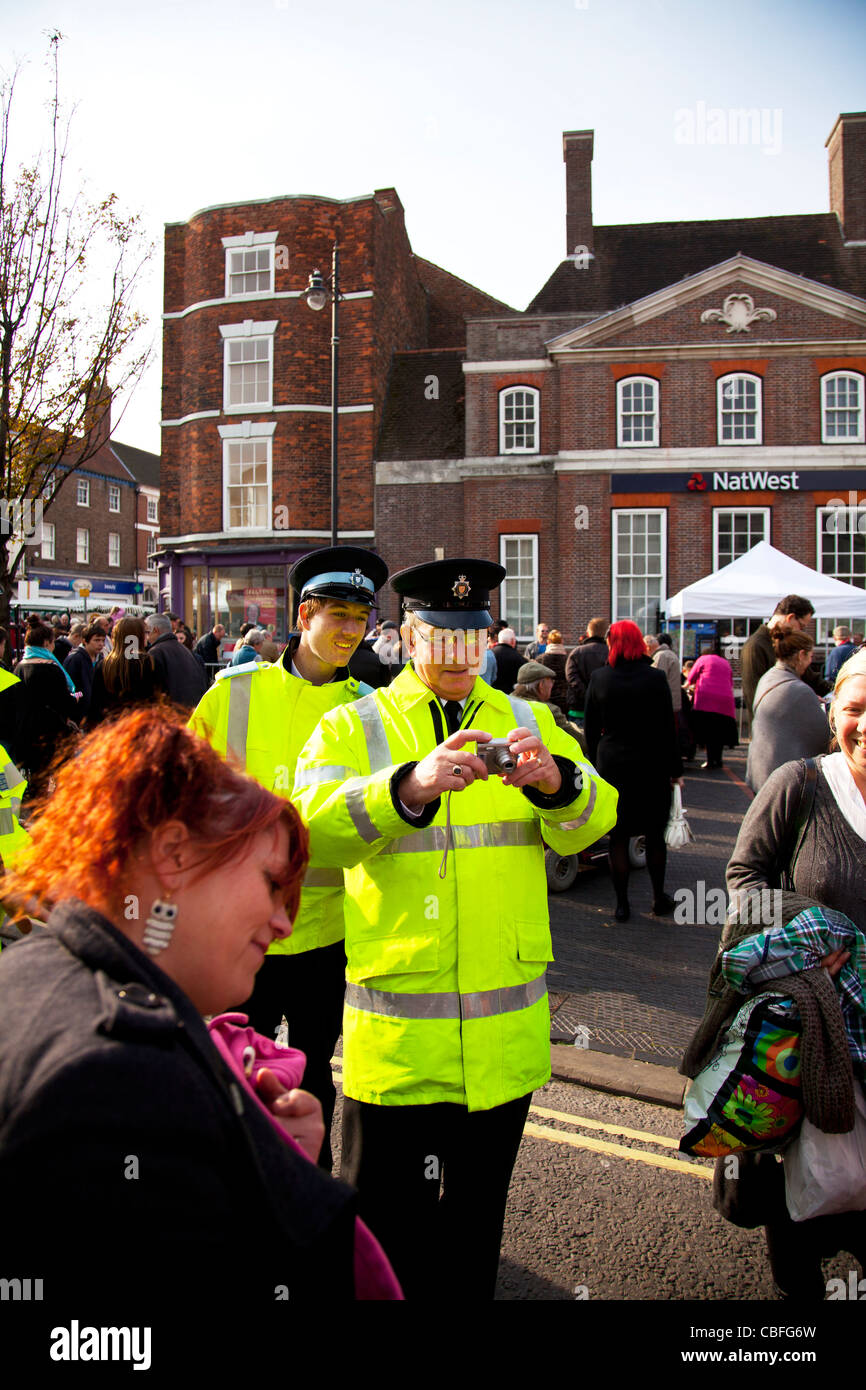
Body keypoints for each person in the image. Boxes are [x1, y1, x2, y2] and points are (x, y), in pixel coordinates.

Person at [293, 557, 618, 1299]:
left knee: (474, 1237)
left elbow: (596, 818)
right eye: (440, 639)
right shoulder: (354, 723)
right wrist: (405, 787)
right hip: (399, 1050)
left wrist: (558, 783)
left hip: (504, 1048)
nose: (458, 658)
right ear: (409, 635)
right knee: (381, 1240)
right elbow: (309, 830)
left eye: (471, 641)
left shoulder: (527, 720)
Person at [0, 708, 400, 1307]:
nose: (283, 923)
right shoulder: (121, 1080)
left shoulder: (34, 972)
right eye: (271, 883)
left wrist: (257, 1158)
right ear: (174, 856)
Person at [189, 546, 388, 1172]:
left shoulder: (373, 710)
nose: (351, 629)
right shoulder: (234, 695)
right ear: (305, 614)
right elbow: (182, 797)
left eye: (361, 617)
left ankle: (308, 1196)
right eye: (339, 614)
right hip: (237, 929)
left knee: (312, 1077)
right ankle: (232, 1191)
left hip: (327, 931)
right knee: (230, 1072)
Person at [684, 648, 866, 1300]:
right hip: (809, 1034)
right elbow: (743, 880)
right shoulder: (801, 785)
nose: (865, 725)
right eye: (855, 709)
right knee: (803, 1215)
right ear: (832, 713)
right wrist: (803, 937)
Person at [584, 620, 683, 922]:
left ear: (612, 643)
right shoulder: (655, 678)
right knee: (654, 835)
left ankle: (622, 904)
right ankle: (657, 898)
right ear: (640, 642)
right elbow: (669, 727)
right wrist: (675, 770)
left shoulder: (600, 678)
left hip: (613, 764)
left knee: (617, 837)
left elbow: (590, 729)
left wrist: (596, 760)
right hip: (651, 764)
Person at [746, 627, 830, 792]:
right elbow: (825, 737)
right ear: (801, 655)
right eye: (810, 656)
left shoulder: (769, 677)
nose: (810, 662)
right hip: (781, 784)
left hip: (759, 773)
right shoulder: (798, 690)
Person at [13, 621, 80, 797]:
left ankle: (35, 809)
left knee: (36, 778)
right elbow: (63, 702)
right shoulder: (51, 669)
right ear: (46, 643)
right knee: (56, 773)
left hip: (25, 730)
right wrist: (75, 699)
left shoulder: (19, 667)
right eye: (52, 643)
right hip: (49, 731)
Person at [741, 595, 826, 709]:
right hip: (770, 722)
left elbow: (812, 679)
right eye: (801, 626)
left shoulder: (788, 643)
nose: (801, 631)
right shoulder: (755, 646)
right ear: (790, 617)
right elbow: (754, 694)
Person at [88, 617, 158, 727]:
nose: (147, 637)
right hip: (140, 726)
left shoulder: (104, 665)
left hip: (111, 728)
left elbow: (95, 705)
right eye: (145, 633)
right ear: (137, 636)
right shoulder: (147, 663)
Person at [513, 660, 584, 748]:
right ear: (541, 685)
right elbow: (579, 741)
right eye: (551, 681)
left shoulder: (508, 701)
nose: (552, 685)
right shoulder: (548, 710)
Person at [685, 650, 737, 770]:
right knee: (719, 732)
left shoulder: (702, 660)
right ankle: (718, 760)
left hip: (706, 699)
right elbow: (730, 681)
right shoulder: (725, 662)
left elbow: (691, 678)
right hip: (725, 701)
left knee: (708, 731)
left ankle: (710, 761)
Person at [145, 613, 208, 710]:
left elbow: (154, 690)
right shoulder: (187, 652)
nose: (147, 637)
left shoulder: (156, 653)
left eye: (147, 632)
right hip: (192, 713)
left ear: (155, 630)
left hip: (171, 715)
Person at [565, 617, 608, 716]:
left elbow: (571, 678)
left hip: (579, 709)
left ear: (588, 633)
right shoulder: (611, 653)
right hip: (604, 710)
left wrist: (587, 695)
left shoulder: (576, 653)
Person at [63, 623, 106, 720]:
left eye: (103, 640)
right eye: (96, 640)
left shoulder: (100, 658)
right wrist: (82, 694)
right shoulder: (75, 659)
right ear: (85, 641)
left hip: (96, 714)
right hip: (79, 715)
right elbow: (69, 690)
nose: (101, 644)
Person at [491, 626, 524, 693]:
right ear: (512, 641)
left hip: (490, 696)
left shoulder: (489, 655)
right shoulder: (518, 658)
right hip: (510, 697)